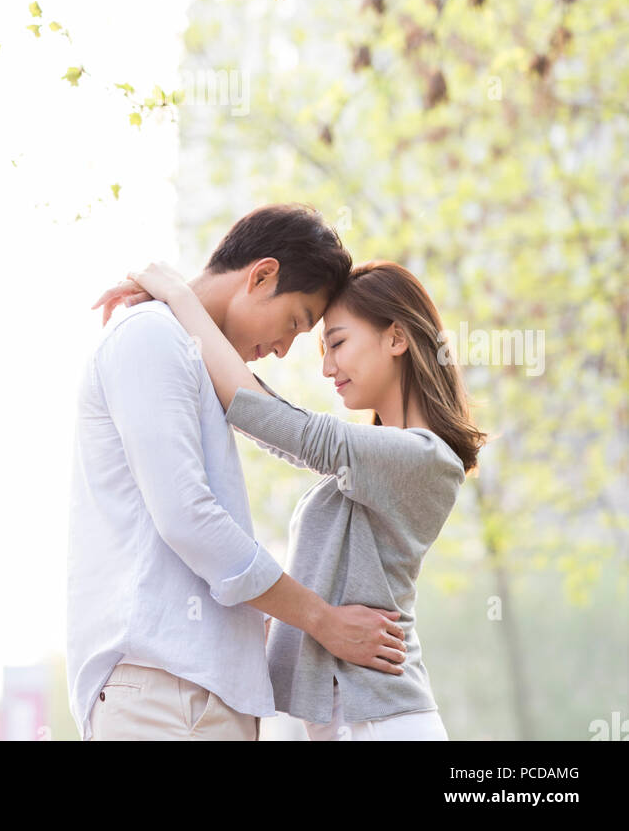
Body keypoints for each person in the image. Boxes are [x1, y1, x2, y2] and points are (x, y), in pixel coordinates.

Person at [96, 255, 488, 741]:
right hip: (346, 722)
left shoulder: (426, 458)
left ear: (396, 337)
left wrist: (182, 299)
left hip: (383, 721)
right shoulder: (372, 470)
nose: (326, 367)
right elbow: (273, 424)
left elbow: (281, 426)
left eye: (338, 343)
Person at [67, 203, 410, 742]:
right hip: (163, 693)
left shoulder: (195, 355)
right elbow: (187, 518)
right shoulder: (150, 337)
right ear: (262, 274)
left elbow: (283, 427)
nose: (282, 348)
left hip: (206, 697)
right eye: (295, 322)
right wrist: (321, 619)